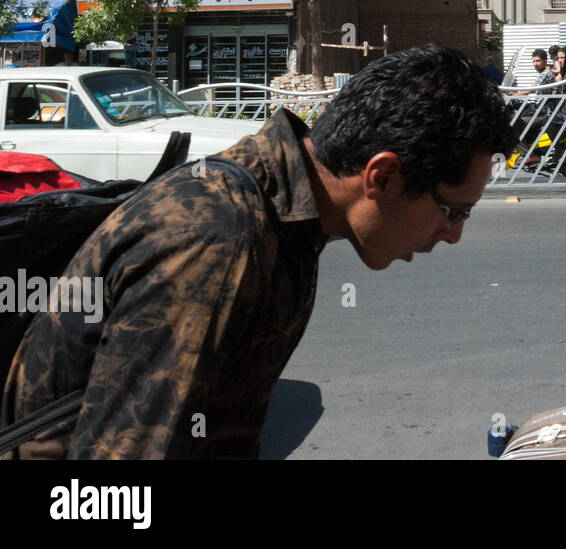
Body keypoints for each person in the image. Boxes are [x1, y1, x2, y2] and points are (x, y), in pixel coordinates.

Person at [2, 45, 516, 459]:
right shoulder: (218, 238)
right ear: (380, 176)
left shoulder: (292, 217)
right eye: (453, 211)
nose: (453, 236)